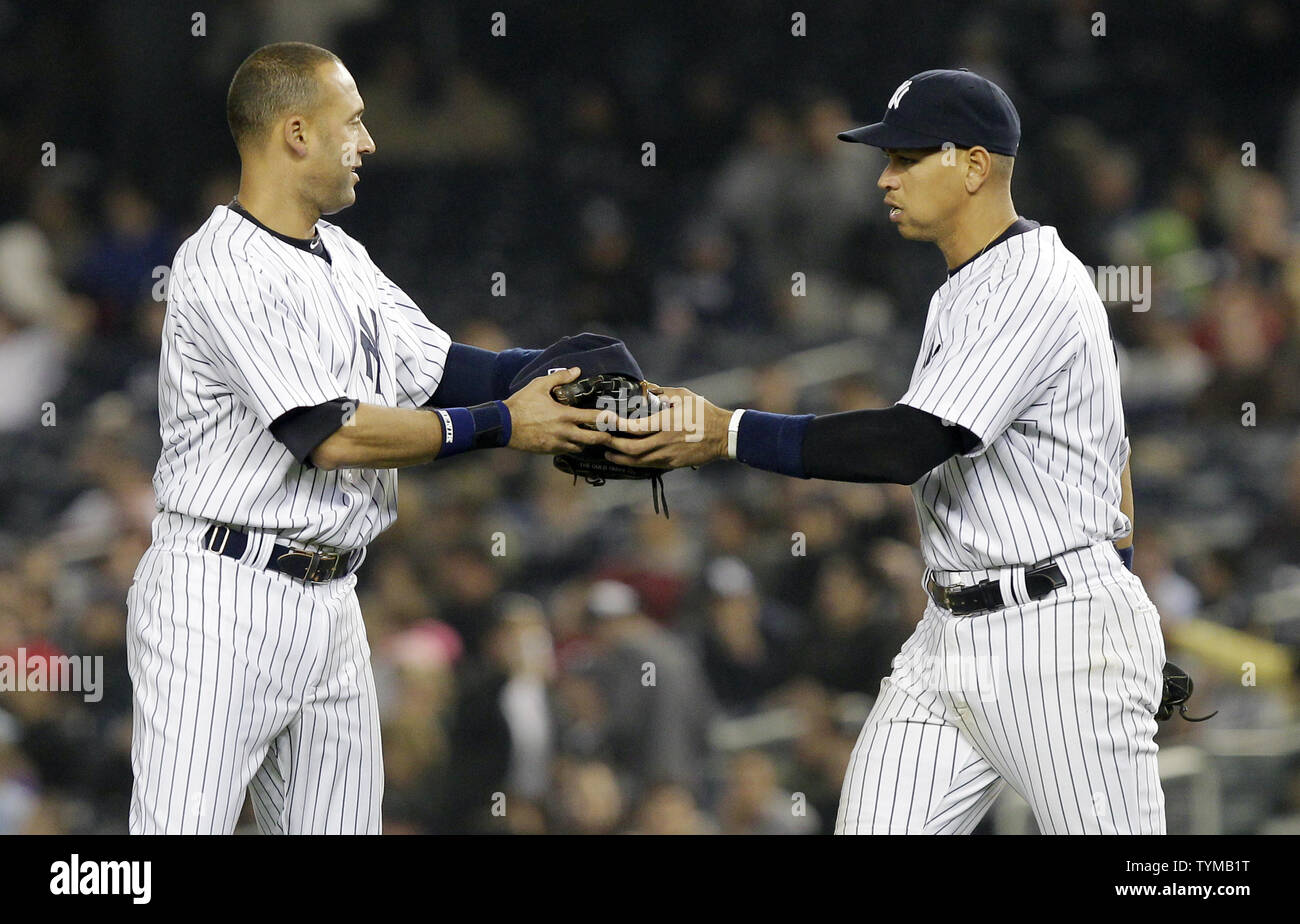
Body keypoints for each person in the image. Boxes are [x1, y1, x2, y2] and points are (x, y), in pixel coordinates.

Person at [605, 69, 1165, 834]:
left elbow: (908, 444)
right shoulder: (964, 289)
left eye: (905, 158)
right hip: (950, 632)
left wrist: (726, 430)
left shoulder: (1034, 280)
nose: (883, 178)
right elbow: (1115, 462)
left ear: (973, 166)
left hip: (1060, 637)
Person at [126, 42, 611, 834]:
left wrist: (562, 370)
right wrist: (505, 426)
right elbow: (328, 433)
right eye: (351, 122)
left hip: (334, 598)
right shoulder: (222, 262)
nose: (370, 141)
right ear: (295, 132)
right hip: (219, 596)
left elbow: (446, 368)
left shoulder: (341, 256)